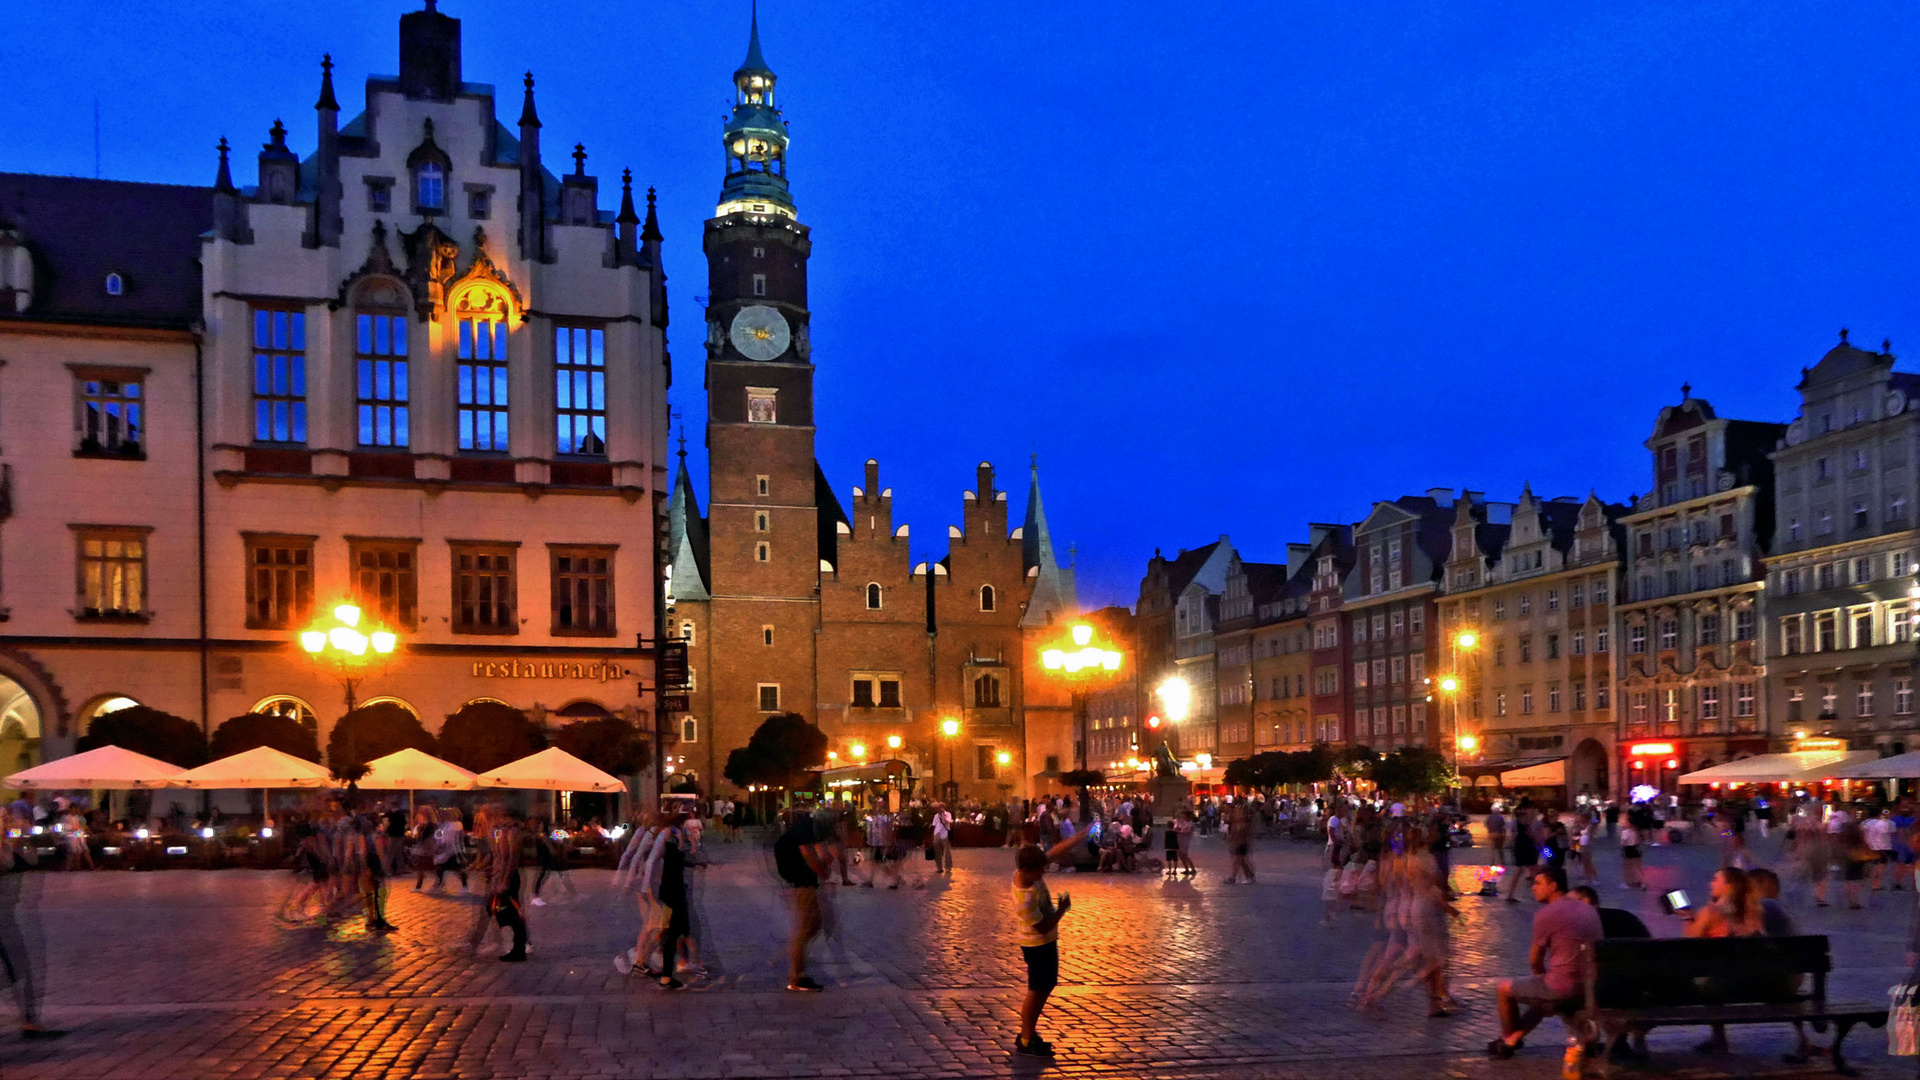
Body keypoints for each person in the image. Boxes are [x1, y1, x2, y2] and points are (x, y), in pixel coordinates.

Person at [1487, 867, 1603, 1061]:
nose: (1533, 887)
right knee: (1542, 994)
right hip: (1591, 986)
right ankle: (1514, 1039)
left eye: (1538, 883)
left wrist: (1542, 976)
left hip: (1564, 987)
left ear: (1553, 886)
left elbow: (1535, 961)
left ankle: (1506, 1038)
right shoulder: (1589, 910)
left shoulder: (1547, 914)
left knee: (1503, 988)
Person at [1011, 830, 1089, 1056]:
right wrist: (1062, 910)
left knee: (1043, 987)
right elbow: (1043, 927)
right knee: (1037, 991)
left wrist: (1081, 835)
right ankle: (1026, 1039)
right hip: (1037, 945)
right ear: (1026, 870)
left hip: (1043, 943)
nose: (1043, 873)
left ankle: (1028, 1033)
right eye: (1039, 870)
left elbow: (1055, 851)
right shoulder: (1025, 898)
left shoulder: (1027, 871)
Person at [0, 807, 61, 1040]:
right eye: (2, 818)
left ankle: (30, 1022)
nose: (7, 822)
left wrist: (23, 842)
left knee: (22, 969)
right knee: (15, 971)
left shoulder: (11, 845)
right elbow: (5, 866)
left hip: (9, 918)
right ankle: (29, 1020)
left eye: (7, 818)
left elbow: (33, 860)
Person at [773, 809, 833, 992]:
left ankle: (794, 959)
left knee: (812, 924)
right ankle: (797, 976)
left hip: (802, 882)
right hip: (802, 883)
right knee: (806, 926)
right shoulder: (805, 831)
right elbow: (807, 854)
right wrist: (823, 871)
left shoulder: (800, 831)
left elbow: (819, 853)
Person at [1617, 817, 1645, 890]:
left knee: (1627, 867)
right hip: (1636, 848)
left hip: (1628, 849)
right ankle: (1641, 882)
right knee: (1637, 866)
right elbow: (1640, 841)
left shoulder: (1625, 832)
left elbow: (1623, 842)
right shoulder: (1637, 832)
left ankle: (1627, 882)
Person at [930, 803, 954, 875]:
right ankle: (939, 868)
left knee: (947, 851)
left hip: (945, 834)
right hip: (937, 833)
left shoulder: (948, 814)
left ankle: (948, 867)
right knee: (937, 851)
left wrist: (943, 815)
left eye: (941, 807)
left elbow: (947, 821)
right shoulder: (936, 816)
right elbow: (934, 825)